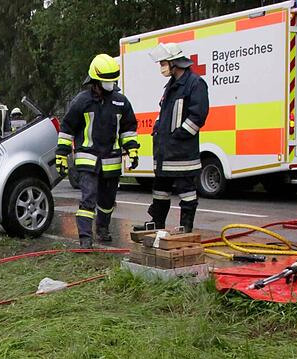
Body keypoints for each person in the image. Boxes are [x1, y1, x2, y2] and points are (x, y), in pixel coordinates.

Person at [56, 53, 139, 248]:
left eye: (112, 80)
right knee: (88, 198)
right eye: (106, 81)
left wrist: (132, 149)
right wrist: (61, 154)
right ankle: (85, 237)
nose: (110, 84)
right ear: (95, 81)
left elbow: (128, 129)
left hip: (111, 160)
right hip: (88, 160)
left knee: (108, 201)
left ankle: (103, 228)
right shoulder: (81, 101)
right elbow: (67, 129)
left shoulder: (121, 102)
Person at [137, 42, 209, 233]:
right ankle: (156, 224)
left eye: (163, 63)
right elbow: (165, 115)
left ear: (174, 63)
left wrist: (178, 136)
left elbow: (197, 116)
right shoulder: (171, 85)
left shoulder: (195, 83)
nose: (161, 67)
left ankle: (186, 227)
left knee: (186, 192)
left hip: (182, 153)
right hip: (165, 152)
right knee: (160, 191)